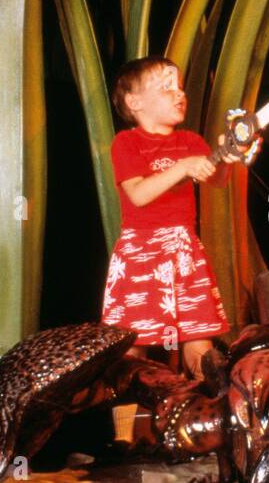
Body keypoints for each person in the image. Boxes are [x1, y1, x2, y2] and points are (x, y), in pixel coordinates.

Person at [102, 56, 250, 377]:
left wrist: (228, 155)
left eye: (180, 87)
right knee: (130, 346)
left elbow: (218, 178)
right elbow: (139, 194)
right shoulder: (126, 143)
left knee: (199, 337)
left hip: (184, 252)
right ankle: (125, 427)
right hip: (141, 253)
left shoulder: (190, 142)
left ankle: (206, 413)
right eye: (166, 87)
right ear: (134, 101)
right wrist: (183, 167)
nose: (179, 93)